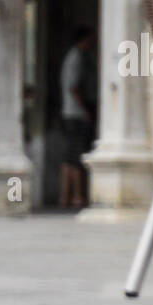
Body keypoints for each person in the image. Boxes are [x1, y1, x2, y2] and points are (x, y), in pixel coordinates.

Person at [58, 25, 96, 209]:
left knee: (69, 156)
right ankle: (76, 196)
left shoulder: (76, 57)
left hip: (70, 112)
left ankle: (67, 196)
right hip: (76, 113)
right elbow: (74, 87)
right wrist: (86, 110)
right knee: (76, 156)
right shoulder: (76, 58)